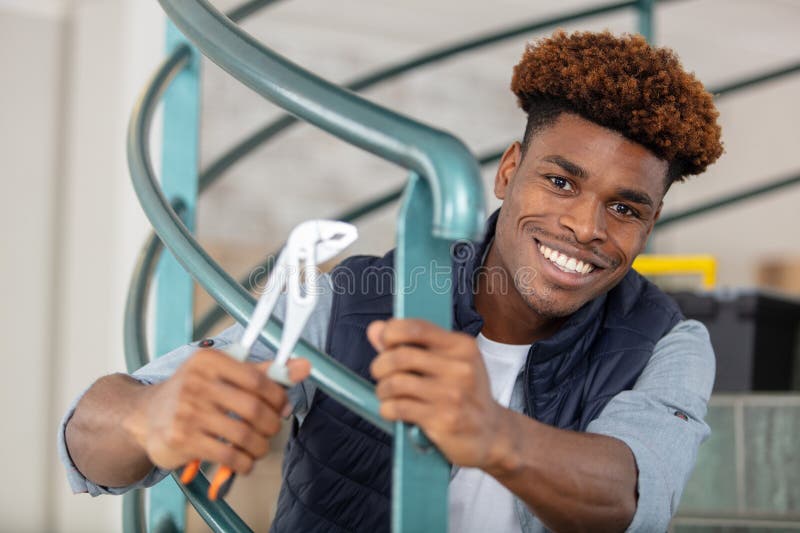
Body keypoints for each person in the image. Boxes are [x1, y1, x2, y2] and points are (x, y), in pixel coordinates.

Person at [60, 30, 723, 532]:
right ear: (508, 170)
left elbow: (635, 495)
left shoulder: (671, 342)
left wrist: (492, 432)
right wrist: (150, 419)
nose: (585, 226)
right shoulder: (352, 299)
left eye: (625, 207)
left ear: (651, 220)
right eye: (560, 181)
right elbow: (88, 435)